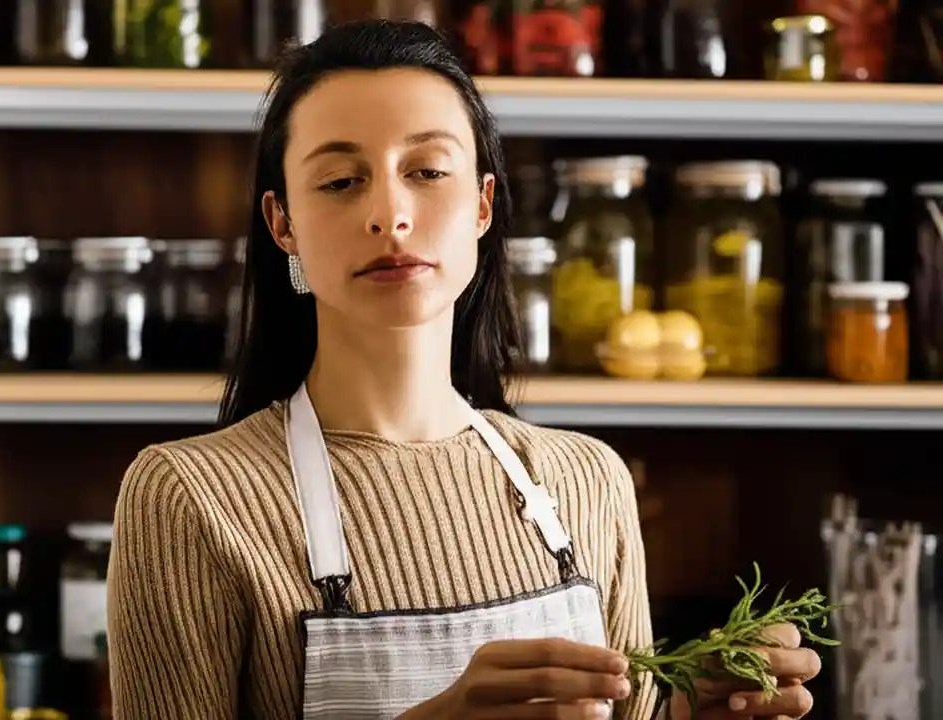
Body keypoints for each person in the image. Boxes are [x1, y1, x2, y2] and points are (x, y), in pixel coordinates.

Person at [106, 19, 822, 720]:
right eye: (340, 181)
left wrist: (696, 712)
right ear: (282, 222)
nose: (390, 213)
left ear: (482, 204)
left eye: (426, 171)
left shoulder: (587, 481)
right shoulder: (187, 500)